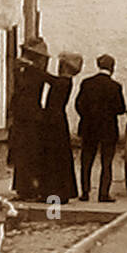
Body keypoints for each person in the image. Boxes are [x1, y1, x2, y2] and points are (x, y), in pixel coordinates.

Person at [75, 54, 127, 202]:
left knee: (86, 160)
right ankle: (103, 194)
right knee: (106, 162)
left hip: (89, 127)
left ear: (98, 65)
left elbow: (79, 104)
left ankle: (85, 193)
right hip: (108, 129)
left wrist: (87, 117)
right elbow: (120, 108)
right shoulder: (115, 86)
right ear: (112, 68)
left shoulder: (87, 83)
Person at [8, 38, 49, 200]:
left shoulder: (19, 69)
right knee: (30, 154)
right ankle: (29, 188)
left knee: (21, 154)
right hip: (31, 118)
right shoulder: (33, 71)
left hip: (20, 117)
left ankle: (22, 188)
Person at [40, 52, 83, 204]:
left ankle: (54, 193)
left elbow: (48, 79)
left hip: (54, 121)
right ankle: (62, 192)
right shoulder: (66, 81)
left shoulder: (62, 81)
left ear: (65, 67)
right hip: (59, 120)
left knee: (54, 157)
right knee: (60, 157)